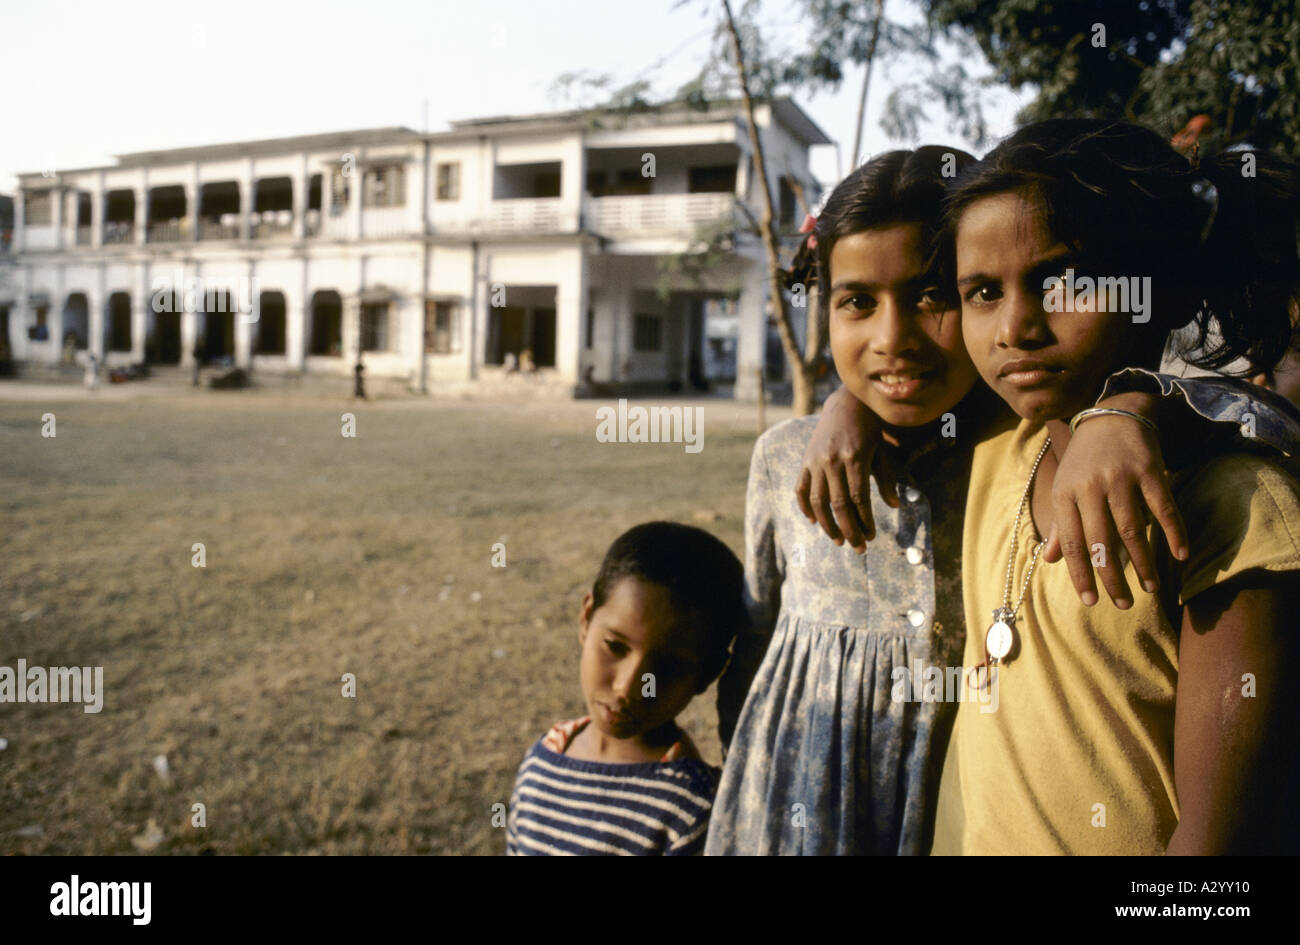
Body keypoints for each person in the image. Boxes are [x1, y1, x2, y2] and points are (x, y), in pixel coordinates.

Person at [708, 146, 1300, 856]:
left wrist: (1133, 406)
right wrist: (848, 402)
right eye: (981, 291)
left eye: (933, 296)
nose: (893, 338)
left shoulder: (1031, 444)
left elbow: (1265, 417)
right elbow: (751, 638)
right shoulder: (832, 454)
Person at [922, 119, 1300, 853]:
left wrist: (1134, 406)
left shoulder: (1240, 508)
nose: (1016, 326)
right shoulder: (1005, 446)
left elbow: (1216, 852)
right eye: (982, 291)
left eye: (1062, 280)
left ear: (1162, 287)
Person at [506, 521, 745, 856]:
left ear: (708, 673)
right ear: (587, 617)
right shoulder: (541, 761)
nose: (628, 687)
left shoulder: (693, 809)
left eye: (668, 668)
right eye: (615, 647)